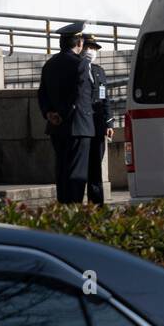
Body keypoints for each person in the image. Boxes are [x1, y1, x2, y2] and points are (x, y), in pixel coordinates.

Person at [37, 22, 94, 204]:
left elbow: (42, 93)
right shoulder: (81, 64)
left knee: (62, 169)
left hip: (56, 126)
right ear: (78, 42)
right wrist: (63, 113)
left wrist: (50, 114)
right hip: (78, 125)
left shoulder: (50, 64)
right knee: (77, 172)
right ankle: (74, 208)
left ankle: (63, 206)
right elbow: (78, 95)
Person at [82, 34, 114, 206]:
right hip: (81, 125)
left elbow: (104, 98)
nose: (91, 51)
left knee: (96, 168)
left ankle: (97, 205)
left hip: (97, 126)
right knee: (81, 169)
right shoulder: (76, 70)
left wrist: (108, 122)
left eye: (94, 48)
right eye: (89, 47)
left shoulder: (99, 71)